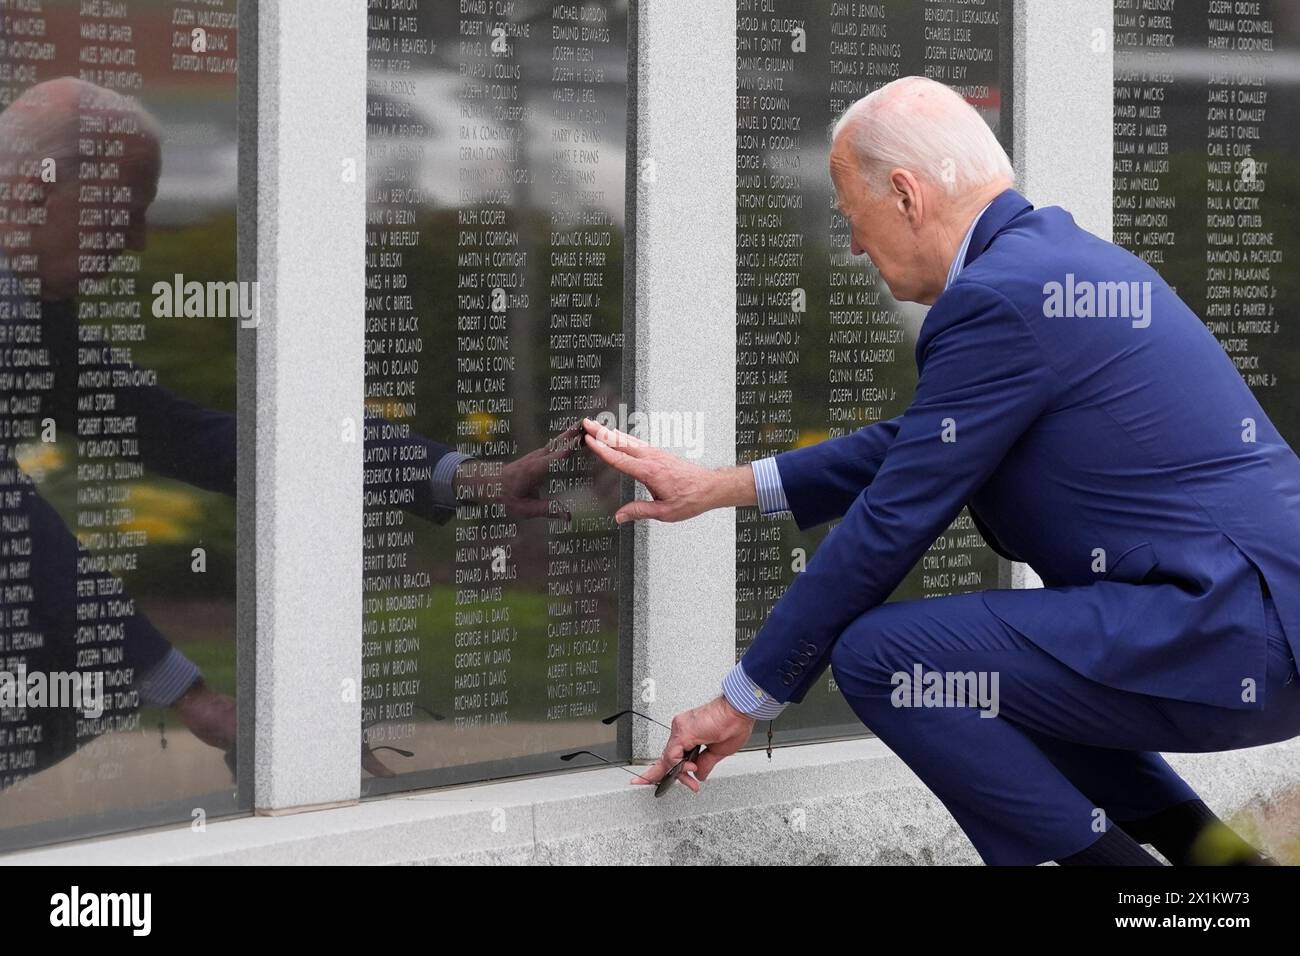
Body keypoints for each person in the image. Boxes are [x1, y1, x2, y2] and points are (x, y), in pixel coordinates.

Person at [581, 75, 1300, 866]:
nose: (854, 244)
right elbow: (921, 443)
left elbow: (895, 516)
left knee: (893, 659)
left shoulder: (1001, 298)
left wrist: (744, 696)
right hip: (1258, 622)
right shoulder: (1053, 264)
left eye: (854, 219)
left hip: (1230, 628)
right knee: (993, 682)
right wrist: (719, 486)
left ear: (905, 195)